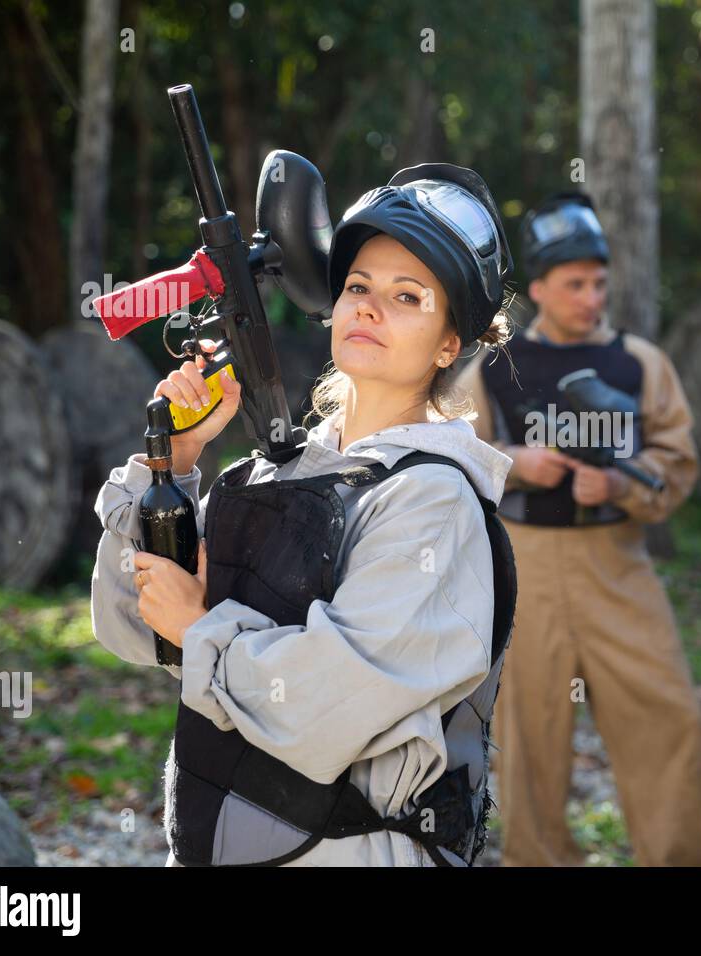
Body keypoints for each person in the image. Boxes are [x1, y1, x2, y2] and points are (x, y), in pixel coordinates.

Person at [89, 164, 518, 867]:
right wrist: (175, 460)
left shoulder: (435, 501)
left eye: (408, 295)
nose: (371, 307)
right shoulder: (274, 472)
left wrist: (201, 628)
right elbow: (137, 631)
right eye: (358, 287)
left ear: (450, 342)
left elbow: (327, 706)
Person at [454, 192, 701, 866]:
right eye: (575, 283)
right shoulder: (493, 368)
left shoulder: (638, 363)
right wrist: (515, 464)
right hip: (527, 569)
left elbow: (678, 459)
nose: (592, 296)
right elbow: (448, 457)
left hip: (618, 562)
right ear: (539, 288)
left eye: (599, 282)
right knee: (530, 742)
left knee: (670, 717)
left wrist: (625, 484)